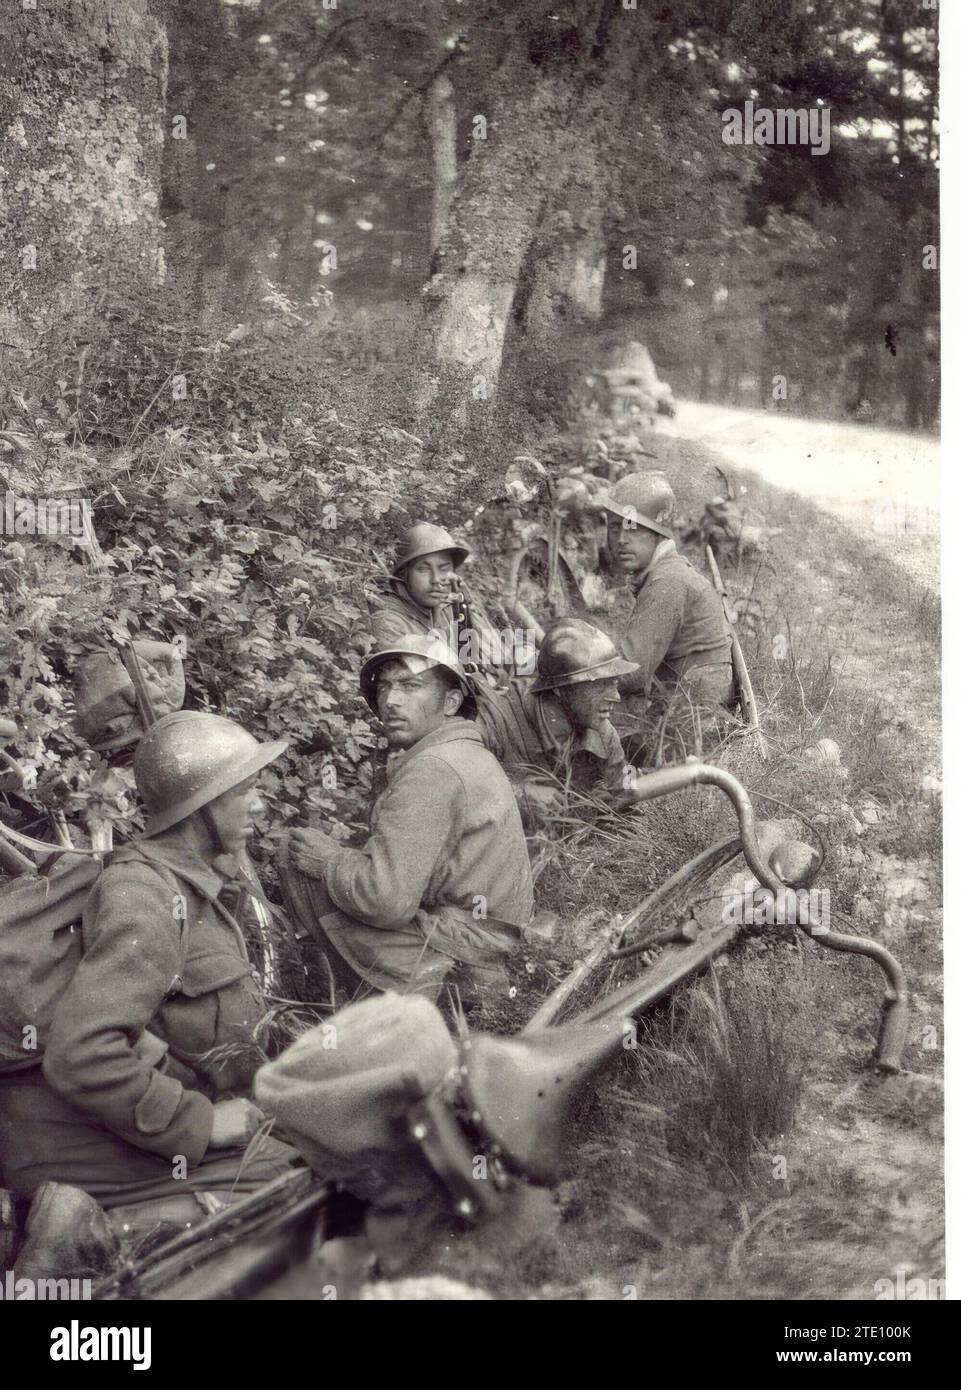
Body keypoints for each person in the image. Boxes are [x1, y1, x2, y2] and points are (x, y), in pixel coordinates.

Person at [0, 711, 298, 1271]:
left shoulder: (191, 884)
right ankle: (87, 1240)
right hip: (64, 1138)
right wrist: (202, 1124)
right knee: (287, 1183)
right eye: (247, 790)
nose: (260, 804)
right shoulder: (145, 894)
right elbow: (83, 1055)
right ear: (203, 803)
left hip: (103, 1120)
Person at [283, 635, 533, 1000]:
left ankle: (357, 998)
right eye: (384, 687)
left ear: (451, 701)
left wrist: (330, 863)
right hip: (489, 942)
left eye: (410, 686)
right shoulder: (463, 752)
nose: (391, 701)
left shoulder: (433, 769)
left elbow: (388, 902)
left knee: (294, 853)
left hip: (461, 954)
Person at [599, 471, 735, 762]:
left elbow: (633, 672)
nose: (621, 539)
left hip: (689, 723)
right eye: (615, 528)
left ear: (657, 532)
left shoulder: (667, 581)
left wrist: (580, 676)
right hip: (684, 704)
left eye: (633, 528)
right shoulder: (666, 572)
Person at [473, 619, 640, 824]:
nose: (616, 696)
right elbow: (454, 781)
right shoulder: (496, 719)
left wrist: (671, 779)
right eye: (600, 685)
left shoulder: (602, 732)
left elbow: (624, 791)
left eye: (614, 683)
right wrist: (517, 794)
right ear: (560, 689)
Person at [367, 522, 507, 679]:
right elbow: (423, 682)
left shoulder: (451, 608)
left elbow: (496, 660)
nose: (436, 580)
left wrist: (469, 608)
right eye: (423, 569)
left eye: (444, 568)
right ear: (403, 574)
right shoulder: (388, 621)